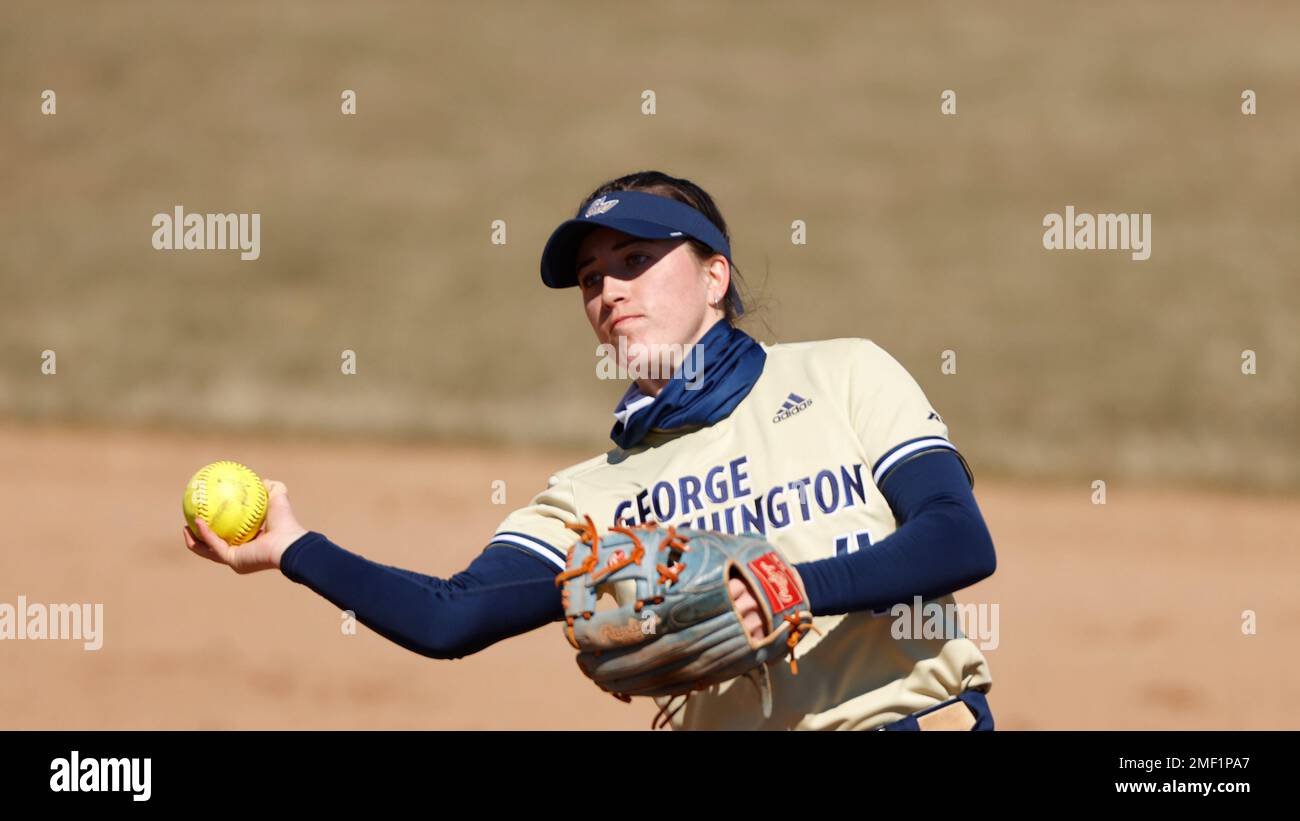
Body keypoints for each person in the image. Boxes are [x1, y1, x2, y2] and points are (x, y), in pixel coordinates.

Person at [184, 170, 998, 731]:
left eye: (637, 261)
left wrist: (790, 587)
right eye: (590, 278)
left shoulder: (843, 372)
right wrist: (294, 548)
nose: (609, 291)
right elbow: (451, 616)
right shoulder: (590, 498)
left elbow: (956, 536)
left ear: (715, 276)